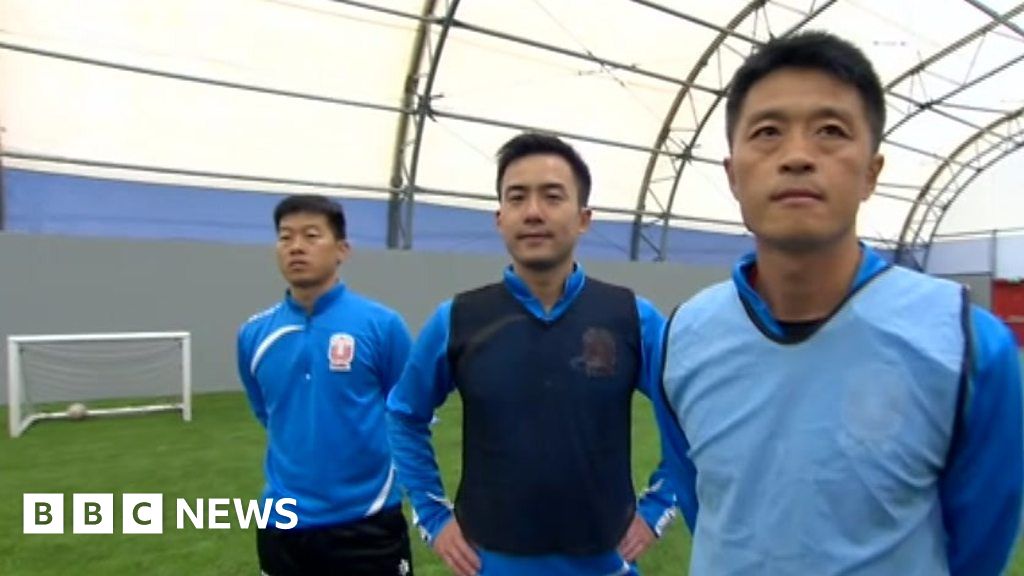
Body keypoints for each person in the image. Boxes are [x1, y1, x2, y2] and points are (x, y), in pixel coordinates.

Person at [656, 31, 1024, 575]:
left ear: (871, 173)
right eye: (767, 132)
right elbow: (700, 498)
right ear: (733, 174)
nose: (798, 156)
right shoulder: (684, 335)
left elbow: (979, 541)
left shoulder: (968, 343)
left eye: (830, 131)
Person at [386, 132, 677, 576]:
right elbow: (404, 415)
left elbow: (691, 415)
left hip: (605, 561)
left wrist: (657, 507)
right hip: (494, 561)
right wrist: (434, 518)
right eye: (517, 197)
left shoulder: (632, 317)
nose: (534, 212)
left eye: (552, 196)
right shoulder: (459, 319)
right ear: (499, 218)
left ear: (584, 218)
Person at [236, 194, 415, 576]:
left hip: (367, 522)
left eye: (311, 235)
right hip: (282, 524)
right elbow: (267, 412)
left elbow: (409, 416)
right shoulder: (254, 334)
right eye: (285, 237)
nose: (296, 247)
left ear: (342, 250)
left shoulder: (382, 326)